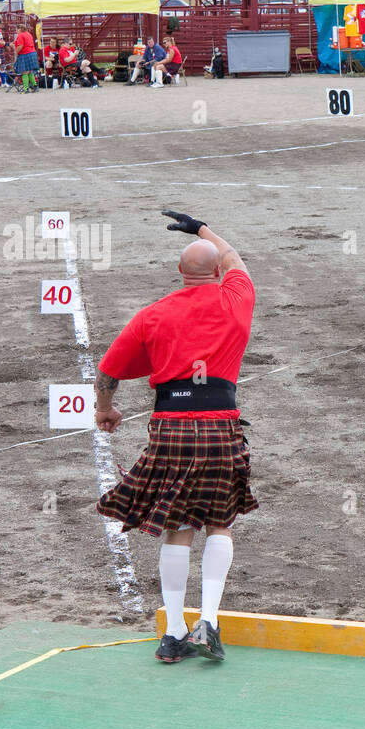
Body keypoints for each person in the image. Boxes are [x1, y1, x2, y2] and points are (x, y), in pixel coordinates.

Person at [95, 211, 257, 664]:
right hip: (220, 425)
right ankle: (209, 622)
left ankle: (173, 632)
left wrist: (105, 410)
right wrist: (202, 228)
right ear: (218, 274)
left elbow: (107, 372)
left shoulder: (153, 315)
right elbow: (234, 259)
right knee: (220, 522)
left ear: (179, 274)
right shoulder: (236, 298)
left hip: (171, 428)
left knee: (178, 527)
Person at [12, 23, 39, 92]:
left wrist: (16, 52)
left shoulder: (20, 35)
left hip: (25, 54)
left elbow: (20, 46)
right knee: (29, 71)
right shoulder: (28, 34)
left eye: (16, 30)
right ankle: (35, 86)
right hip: (32, 53)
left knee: (24, 72)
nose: (16, 31)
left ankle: (26, 88)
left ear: (19, 29)